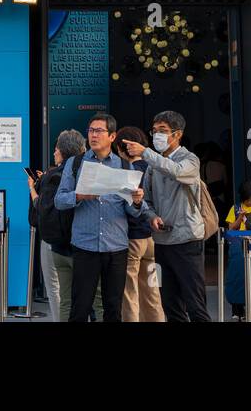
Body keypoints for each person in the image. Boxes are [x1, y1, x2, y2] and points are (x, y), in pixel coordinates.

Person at [56, 113, 153, 323]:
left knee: (113, 308)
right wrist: (80, 195)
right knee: (80, 307)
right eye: (91, 131)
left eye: (99, 131)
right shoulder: (75, 164)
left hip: (116, 247)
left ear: (112, 136)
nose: (93, 135)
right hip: (85, 246)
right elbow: (59, 201)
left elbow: (136, 211)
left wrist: (136, 201)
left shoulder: (125, 166)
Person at [122, 110, 209, 322]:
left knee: (195, 304)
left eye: (162, 131)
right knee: (169, 304)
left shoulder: (190, 160)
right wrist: (151, 215)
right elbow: (148, 201)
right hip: (161, 242)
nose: (156, 136)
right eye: (154, 131)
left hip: (187, 240)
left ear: (177, 134)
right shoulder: (153, 165)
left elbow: (177, 171)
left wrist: (145, 153)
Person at [28, 128, 87, 321]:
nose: (54, 153)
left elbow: (42, 207)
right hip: (82, 241)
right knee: (86, 294)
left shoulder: (52, 176)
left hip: (56, 241)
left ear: (62, 151)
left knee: (57, 290)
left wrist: (33, 189)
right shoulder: (86, 173)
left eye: (56, 149)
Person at [115, 126, 163, 322]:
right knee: (153, 292)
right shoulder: (155, 169)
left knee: (130, 293)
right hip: (153, 239)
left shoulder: (127, 171)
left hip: (132, 239)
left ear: (121, 148)